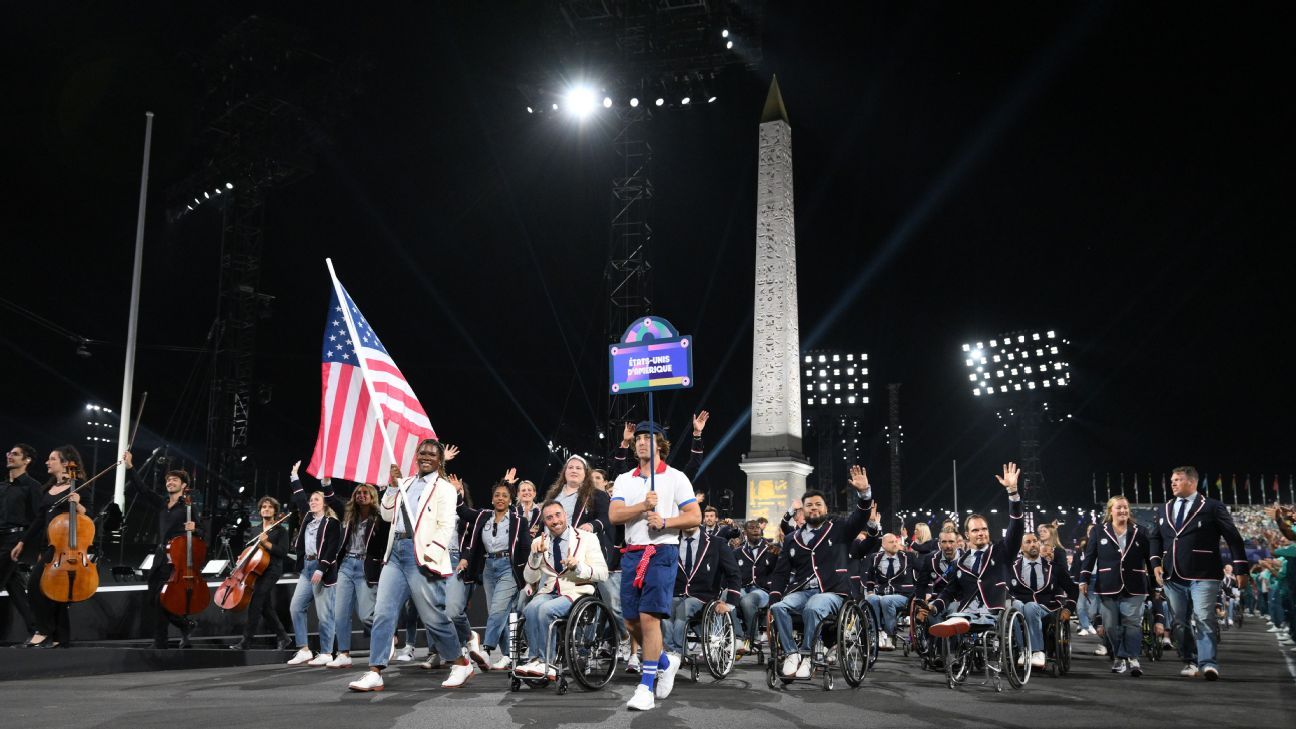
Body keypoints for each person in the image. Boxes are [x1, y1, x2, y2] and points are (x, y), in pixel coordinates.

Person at [348, 440, 470, 692]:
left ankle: (460, 662)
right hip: (396, 554)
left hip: (421, 556)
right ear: (416, 456)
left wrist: (430, 555)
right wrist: (393, 487)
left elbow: (447, 526)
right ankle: (375, 671)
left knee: (433, 617)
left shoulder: (445, 489)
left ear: (440, 461)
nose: (426, 457)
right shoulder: (406, 483)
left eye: (432, 454)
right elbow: (386, 515)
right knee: (383, 612)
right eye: (422, 453)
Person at [609, 421, 702, 711]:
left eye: (648, 438)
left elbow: (694, 516)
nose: (640, 442)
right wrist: (642, 508)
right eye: (637, 438)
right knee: (630, 622)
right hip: (632, 553)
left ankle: (645, 687)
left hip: (662, 552)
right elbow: (614, 515)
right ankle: (665, 661)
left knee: (649, 619)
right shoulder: (625, 479)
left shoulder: (676, 477)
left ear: (660, 444)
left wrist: (665, 521)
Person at [768, 465, 876, 679]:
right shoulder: (791, 539)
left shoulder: (840, 529)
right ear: (803, 510)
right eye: (809, 505)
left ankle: (808, 655)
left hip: (832, 592)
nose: (814, 508)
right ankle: (792, 654)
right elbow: (780, 574)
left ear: (826, 509)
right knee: (779, 608)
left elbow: (860, 518)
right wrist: (774, 598)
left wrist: (864, 495)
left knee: (813, 607)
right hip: (802, 590)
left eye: (818, 504)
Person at [1148, 466, 1249, 680]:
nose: (1173, 483)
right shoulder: (1164, 508)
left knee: (1203, 617)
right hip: (1172, 575)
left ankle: (1208, 663)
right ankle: (1189, 659)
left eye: (1178, 479)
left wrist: (1240, 567)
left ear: (1192, 482)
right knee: (1179, 623)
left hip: (1205, 574)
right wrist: (1156, 562)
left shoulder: (1212, 506)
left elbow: (1233, 537)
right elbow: (1155, 538)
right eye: (1172, 479)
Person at [920, 464, 1025, 637]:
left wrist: (1013, 493)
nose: (981, 533)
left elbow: (1016, 527)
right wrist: (934, 606)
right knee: (955, 614)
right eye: (976, 530)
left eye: (984, 529)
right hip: (968, 608)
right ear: (967, 535)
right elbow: (949, 590)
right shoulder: (960, 562)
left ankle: (962, 622)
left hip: (994, 609)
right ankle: (957, 626)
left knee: (969, 618)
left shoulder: (1002, 551)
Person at [514, 500, 608, 679]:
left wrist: (578, 566)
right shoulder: (539, 542)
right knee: (530, 609)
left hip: (577, 591)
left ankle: (546, 661)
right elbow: (530, 578)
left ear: (565, 515)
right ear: (544, 521)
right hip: (550, 591)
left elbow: (603, 574)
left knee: (545, 610)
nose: (555, 520)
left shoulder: (587, 538)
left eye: (558, 515)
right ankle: (535, 659)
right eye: (549, 518)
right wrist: (535, 556)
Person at [122, 450, 203, 649]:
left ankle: (161, 641)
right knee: (153, 598)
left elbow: (202, 533)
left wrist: (196, 528)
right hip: (160, 556)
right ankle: (185, 624)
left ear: (184, 485)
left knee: (162, 600)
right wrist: (130, 467)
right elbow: (142, 490)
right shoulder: (162, 503)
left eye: (175, 480)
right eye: (168, 480)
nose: (170, 482)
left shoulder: (188, 508)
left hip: (177, 561)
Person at [11, 445, 87, 648]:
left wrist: (78, 504)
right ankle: (61, 637)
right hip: (47, 546)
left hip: (64, 547)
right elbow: (38, 520)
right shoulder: (48, 489)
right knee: (54, 591)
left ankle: (43, 630)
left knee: (35, 585)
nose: (47, 461)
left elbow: (86, 518)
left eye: (52, 459)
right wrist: (22, 541)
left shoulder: (77, 486)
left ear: (65, 463)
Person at [457, 478, 532, 670]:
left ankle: (486, 650)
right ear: (492, 499)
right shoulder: (483, 515)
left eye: (504, 496)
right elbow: (463, 511)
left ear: (510, 499)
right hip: (488, 567)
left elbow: (525, 548)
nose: (500, 498)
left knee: (498, 610)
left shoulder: (519, 521)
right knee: (496, 613)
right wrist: (457, 493)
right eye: (497, 495)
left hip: (509, 567)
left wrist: (526, 577)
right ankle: (508, 655)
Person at [1081, 495, 1152, 676]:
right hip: (1107, 585)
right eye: (1119, 507)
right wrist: (1084, 579)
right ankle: (1120, 656)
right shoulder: (1098, 531)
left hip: (1135, 585)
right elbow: (1089, 557)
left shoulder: (1141, 531)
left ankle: (1133, 659)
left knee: (1132, 623)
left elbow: (1149, 560)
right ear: (1110, 510)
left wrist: (1156, 585)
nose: (1123, 511)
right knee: (1111, 626)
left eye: (1125, 507)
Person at [662, 521, 739, 665]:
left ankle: (677, 654)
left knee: (684, 608)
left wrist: (730, 602)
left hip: (704, 596)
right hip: (676, 593)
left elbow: (733, 573)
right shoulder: (671, 542)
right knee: (665, 610)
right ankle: (669, 653)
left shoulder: (717, 543)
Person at [325, 483, 381, 668]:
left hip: (366, 568)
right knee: (340, 614)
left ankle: (385, 639)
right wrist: (325, 483)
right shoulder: (348, 514)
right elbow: (332, 500)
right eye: (358, 493)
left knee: (366, 615)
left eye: (365, 493)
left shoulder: (379, 518)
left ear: (372, 496)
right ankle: (343, 654)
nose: (361, 495)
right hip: (347, 566)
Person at [229, 495, 292, 650]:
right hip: (257, 570)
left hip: (272, 570)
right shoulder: (255, 530)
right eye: (264, 507)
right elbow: (252, 550)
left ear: (275, 511)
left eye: (270, 507)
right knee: (265, 606)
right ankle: (283, 637)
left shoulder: (280, 531)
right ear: (260, 510)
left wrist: (266, 543)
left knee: (256, 601)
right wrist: (244, 555)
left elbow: (283, 552)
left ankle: (246, 641)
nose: (266, 509)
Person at [286, 489, 341, 666]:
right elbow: (301, 500)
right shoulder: (308, 520)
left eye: (316, 499)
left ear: (325, 503)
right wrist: (294, 478)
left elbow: (332, 547)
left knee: (325, 614)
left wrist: (322, 567)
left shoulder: (331, 523)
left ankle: (326, 652)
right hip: (307, 569)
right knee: (296, 607)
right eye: (311, 500)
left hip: (322, 570)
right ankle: (303, 650)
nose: (312, 502)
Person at [1010, 532, 1073, 670]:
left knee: (1031, 606)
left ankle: (1037, 652)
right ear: (1020, 547)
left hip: (1047, 610)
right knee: (1015, 605)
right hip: (1020, 610)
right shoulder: (1012, 568)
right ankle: (1023, 651)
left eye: (1035, 540)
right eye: (1028, 541)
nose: (1033, 544)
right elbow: (1005, 591)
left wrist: (1068, 608)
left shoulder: (1054, 567)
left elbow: (1072, 590)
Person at [1, 444, 41, 639]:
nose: (9, 456)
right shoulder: (2, 486)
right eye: (9, 453)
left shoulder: (32, 486)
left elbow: (38, 519)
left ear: (27, 460)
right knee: (14, 586)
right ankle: (37, 629)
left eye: (15, 454)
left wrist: (24, 542)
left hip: (14, 541)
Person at [863, 532, 917, 651]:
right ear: (883, 544)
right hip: (882, 593)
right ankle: (878, 632)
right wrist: (871, 591)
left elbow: (922, 573)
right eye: (891, 542)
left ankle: (890, 634)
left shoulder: (908, 557)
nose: (895, 544)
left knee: (886, 600)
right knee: (871, 598)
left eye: (896, 541)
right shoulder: (875, 557)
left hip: (904, 595)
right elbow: (870, 577)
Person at [733, 519, 779, 655]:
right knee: (727, 596)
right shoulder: (738, 551)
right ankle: (738, 637)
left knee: (748, 600)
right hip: (743, 587)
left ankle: (753, 637)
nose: (755, 529)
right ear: (745, 532)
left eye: (757, 527)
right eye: (751, 527)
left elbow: (780, 571)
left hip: (763, 590)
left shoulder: (772, 548)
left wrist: (778, 554)